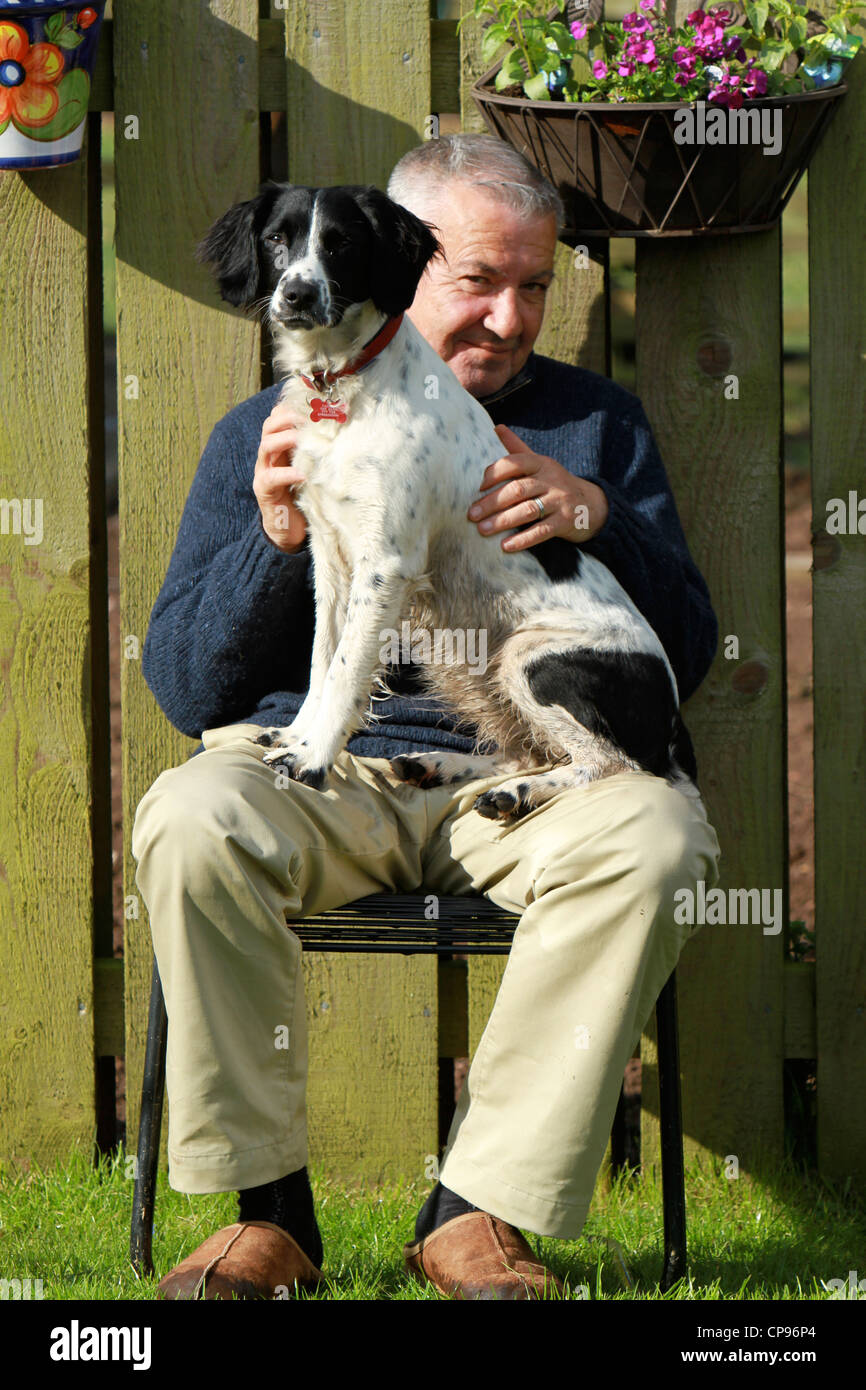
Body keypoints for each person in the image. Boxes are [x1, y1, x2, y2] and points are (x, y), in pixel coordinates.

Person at [131, 133, 722, 1301]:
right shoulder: (261, 428)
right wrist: (276, 533)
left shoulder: (596, 425)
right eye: (477, 280)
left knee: (658, 842)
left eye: (535, 285)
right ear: (404, 267)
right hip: (324, 772)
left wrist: (598, 514)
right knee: (190, 817)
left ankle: (472, 1214)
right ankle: (269, 1218)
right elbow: (188, 688)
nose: (507, 317)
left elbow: (683, 655)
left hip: (524, 774)